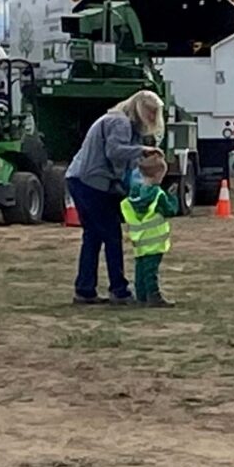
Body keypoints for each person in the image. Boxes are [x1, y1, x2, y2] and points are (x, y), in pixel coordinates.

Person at [66, 90, 165, 307]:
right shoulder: (120, 123)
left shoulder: (116, 121)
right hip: (92, 183)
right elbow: (114, 151)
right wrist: (142, 150)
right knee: (111, 236)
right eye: (150, 112)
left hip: (80, 179)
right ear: (140, 109)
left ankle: (85, 289)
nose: (152, 118)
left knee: (93, 236)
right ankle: (119, 290)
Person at [119, 150, 178, 308]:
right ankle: (154, 296)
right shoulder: (158, 195)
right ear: (159, 175)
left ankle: (141, 296)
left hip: (139, 240)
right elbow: (170, 210)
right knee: (151, 271)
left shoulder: (134, 194)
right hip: (155, 240)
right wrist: (172, 197)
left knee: (140, 269)